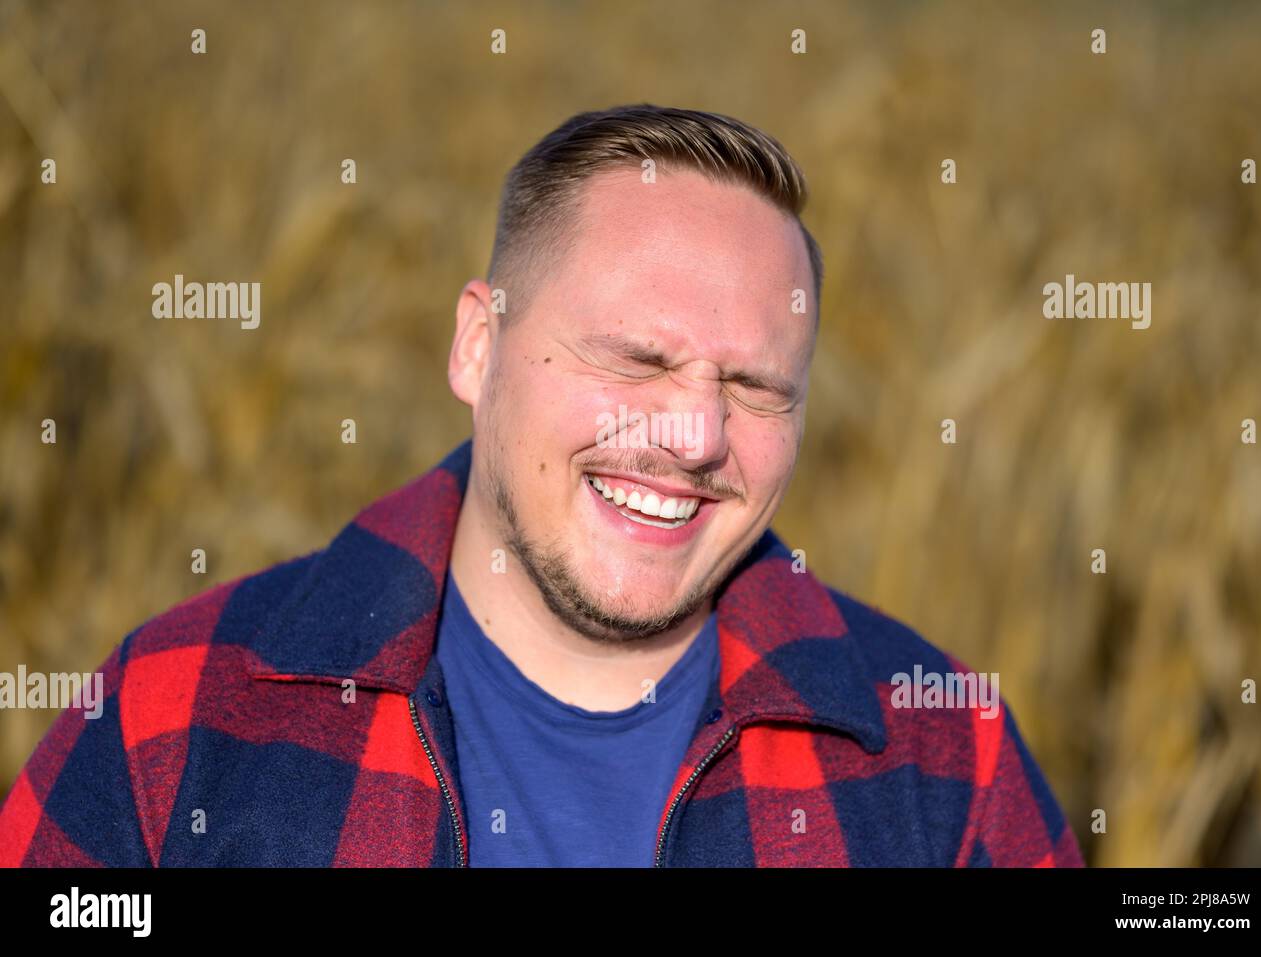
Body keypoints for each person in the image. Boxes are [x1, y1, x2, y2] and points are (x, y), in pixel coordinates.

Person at [0, 103, 1084, 867]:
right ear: (478, 345)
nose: (695, 435)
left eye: (756, 388)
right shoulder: (176, 716)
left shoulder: (941, 757)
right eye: (634, 360)